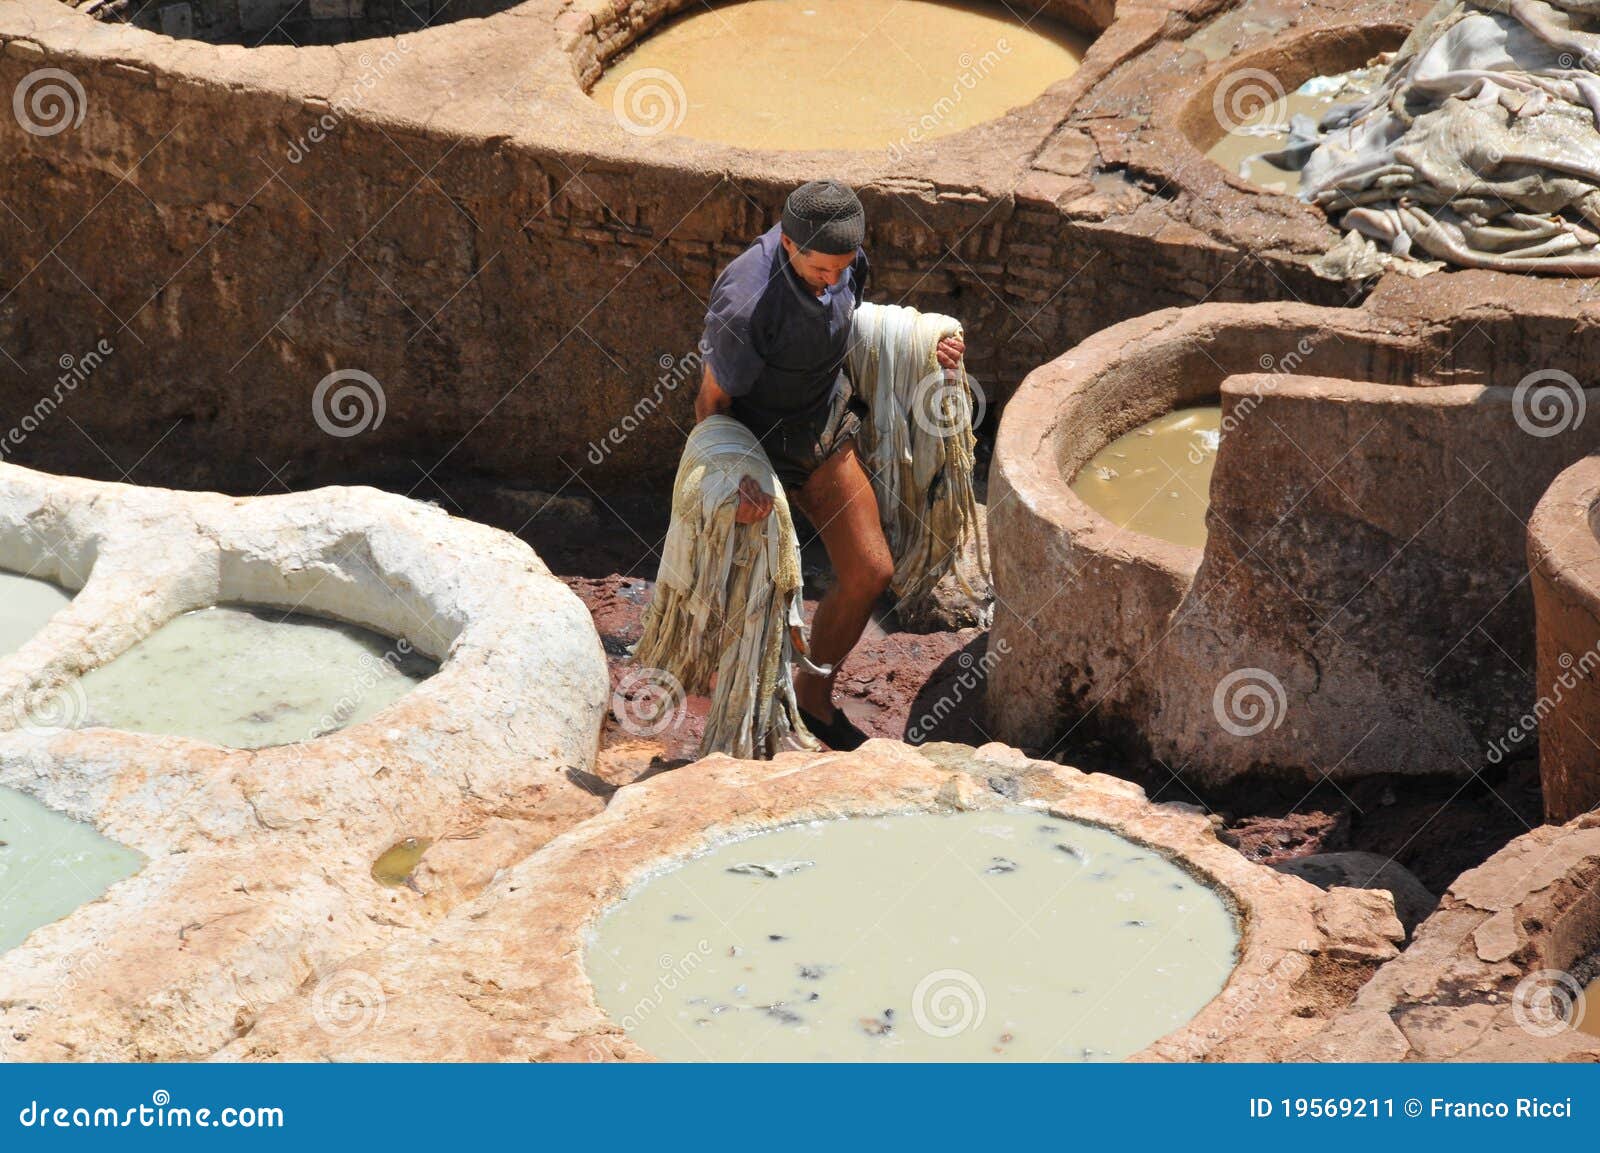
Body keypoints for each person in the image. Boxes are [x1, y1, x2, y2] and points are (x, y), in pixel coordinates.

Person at [693, 179, 964, 750]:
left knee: (871, 571)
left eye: (844, 268)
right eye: (823, 270)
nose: (836, 279)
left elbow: (855, 319)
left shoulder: (842, 257)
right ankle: (739, 718)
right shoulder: (746, 306)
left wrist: (922, 343)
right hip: (752, 446)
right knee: (753, 591)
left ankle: (814, 699)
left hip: (820, 428)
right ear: (789, 245)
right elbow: (711, 404)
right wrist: (729, 479)